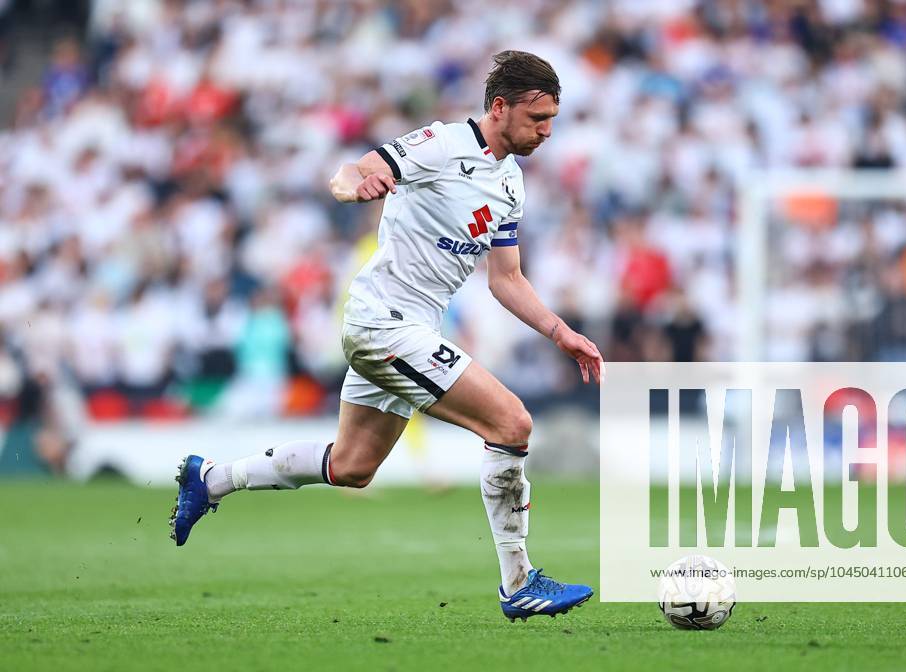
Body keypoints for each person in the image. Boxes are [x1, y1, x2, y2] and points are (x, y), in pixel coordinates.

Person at [170, 51, 605, 622]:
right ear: (499, 108)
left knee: (352, 466)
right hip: (384, 322)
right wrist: (356, 188)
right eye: (537, 118)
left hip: (411, 327)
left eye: (552, 119)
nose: (547, 130)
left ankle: (211, 478)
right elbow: (350, 172)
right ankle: (519, 583)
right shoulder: (442, 144)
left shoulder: (510, 183)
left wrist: (560, 331)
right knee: (512, 423)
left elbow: (507, 279)